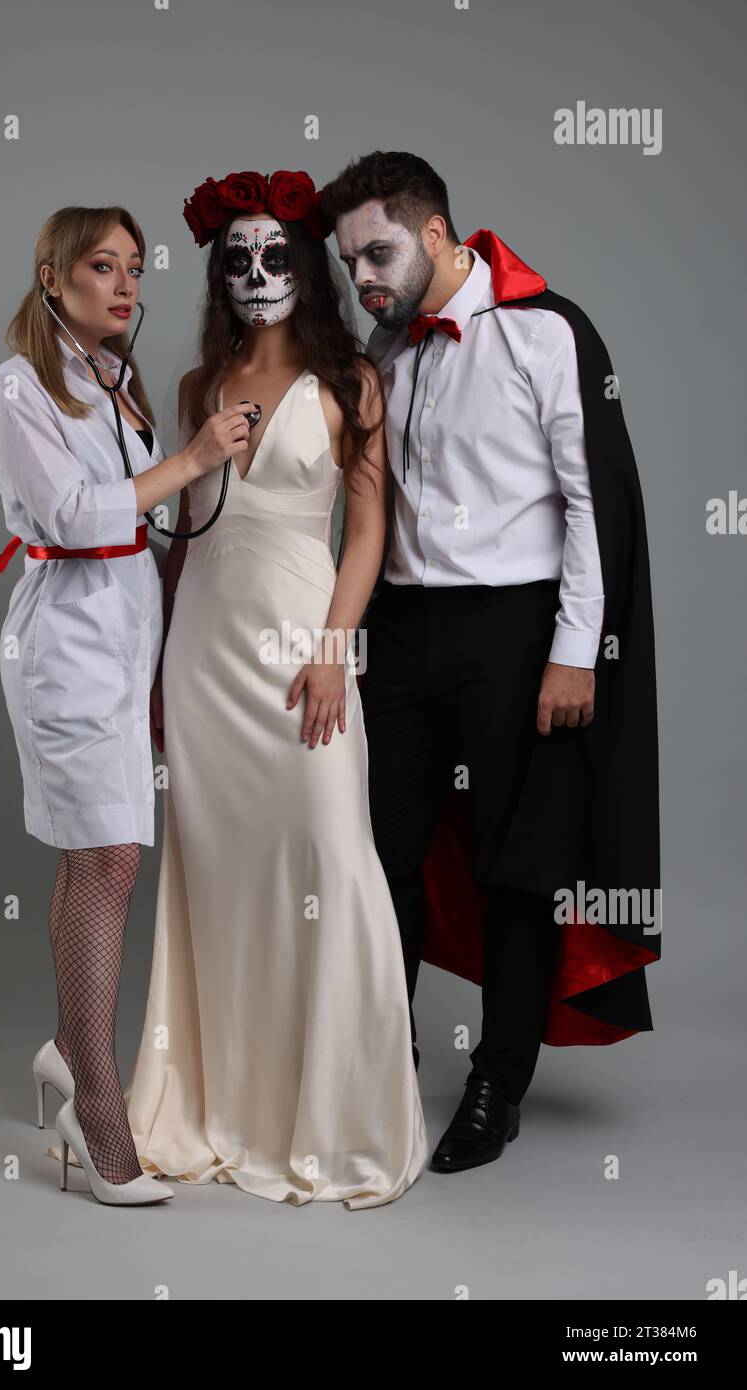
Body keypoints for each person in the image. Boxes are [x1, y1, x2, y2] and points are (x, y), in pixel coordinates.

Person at [319, 151, 661, 1173]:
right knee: (381, 852)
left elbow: (594, 502)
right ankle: (386, 1058)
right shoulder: (387, 346)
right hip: (404, 631)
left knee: (520, 867)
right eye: (348, 261)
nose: (362, 278)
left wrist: (575, 653)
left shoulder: (546, 330)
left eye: (376, 252)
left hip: (516, 634)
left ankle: (496, 1084)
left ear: (433, 233)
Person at [123, 169, 428, 1209]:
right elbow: (180, 533)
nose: (260, 275)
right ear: (223, 274)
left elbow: (370, 528)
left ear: (306, 267)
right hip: (204, 649)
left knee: (330, 854)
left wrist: (334, 649)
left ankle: (334, 1116)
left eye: (278, 256)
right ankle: (228, 1104)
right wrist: (156, 670)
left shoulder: (354, 383)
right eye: (240, 261)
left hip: (304, 639)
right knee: (218, 875)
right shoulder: (199, 386)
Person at [0, 204, 250, 1205]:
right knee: (110, 862)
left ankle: (63, 1049)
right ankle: (97, 1104)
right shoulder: (16, 389)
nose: (128, 285)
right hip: (64, 652)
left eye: (136, 267)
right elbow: (73, 514)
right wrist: (193, 459)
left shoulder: (116, 380)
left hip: (125, 646)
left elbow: (148, 521)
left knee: (91, 855)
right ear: (52, 277)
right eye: (103, 266)